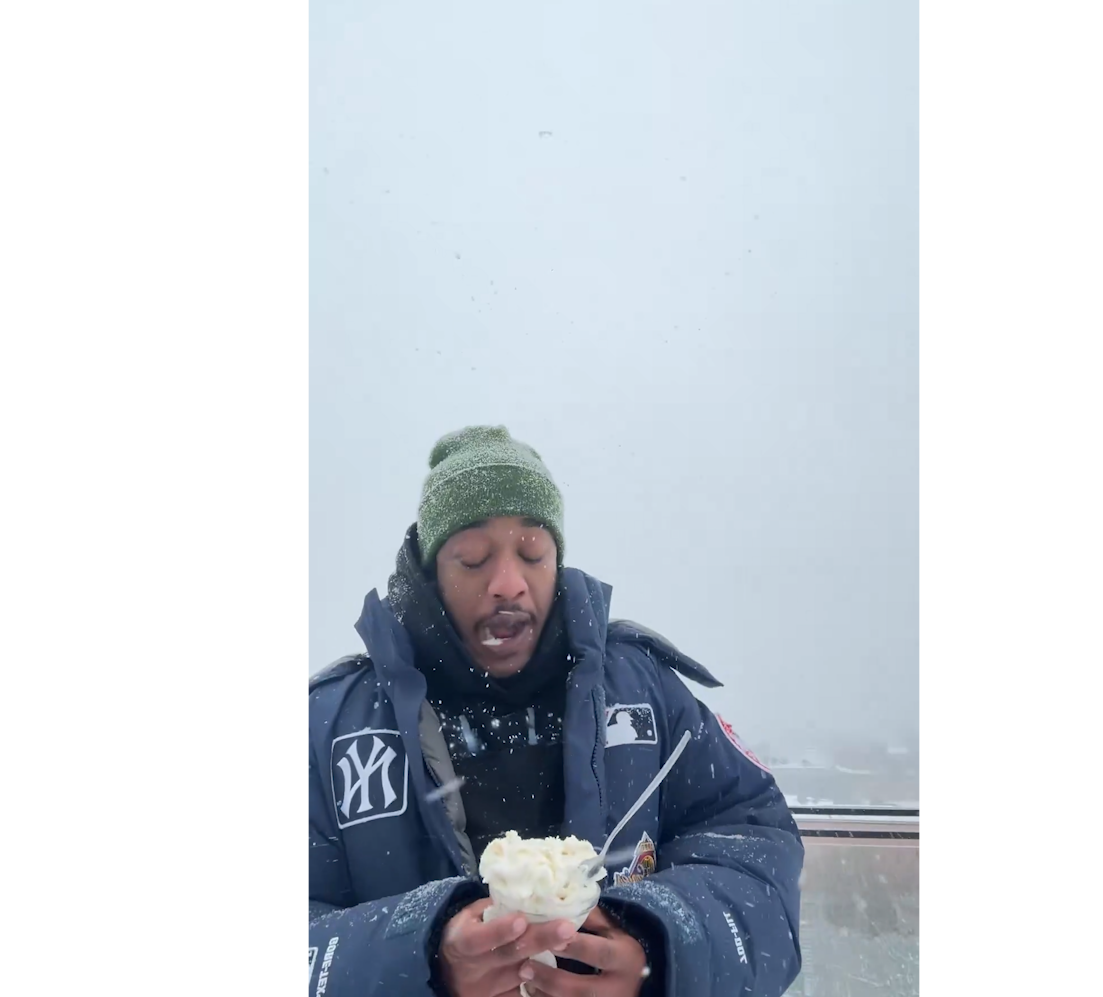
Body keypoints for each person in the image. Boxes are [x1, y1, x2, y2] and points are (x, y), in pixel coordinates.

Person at [307, 426, 804, 997]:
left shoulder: (646, 694)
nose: (508, 584)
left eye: (533, 553)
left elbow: (753, 841)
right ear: (430, 575)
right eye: (471, 559)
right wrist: (421, 958)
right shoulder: (334, 727)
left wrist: (658, 945)